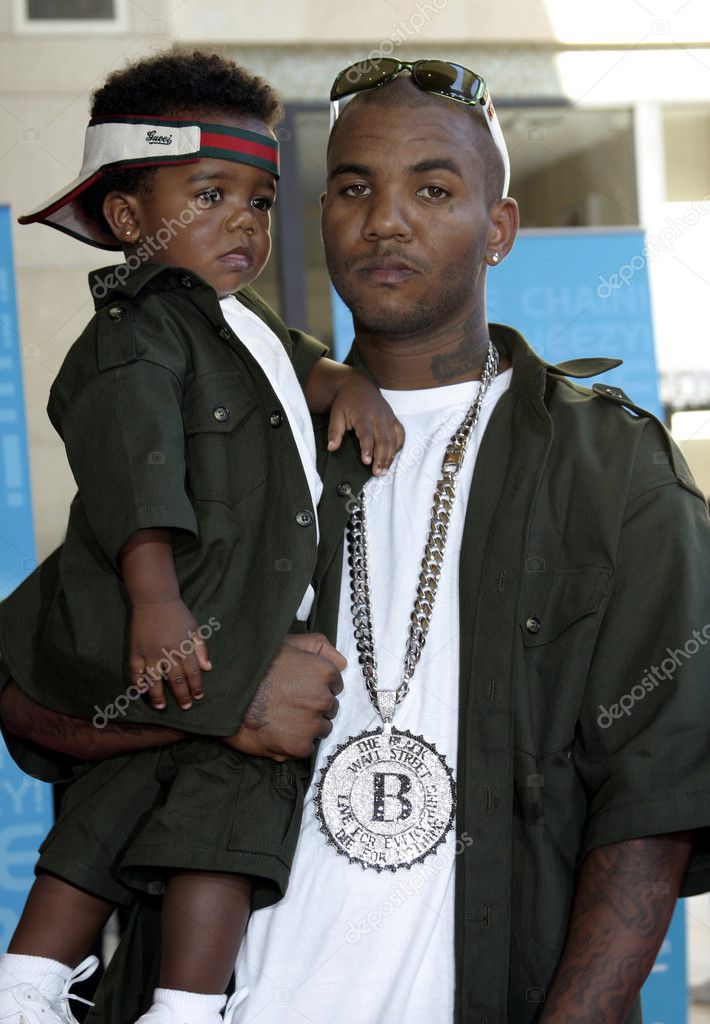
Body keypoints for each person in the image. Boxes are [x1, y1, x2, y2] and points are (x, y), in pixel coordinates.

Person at [3, 57, 710, 1024]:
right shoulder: (215, 428)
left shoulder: (610, 467)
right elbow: (30, 697)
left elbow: (655, 800)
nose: (386, 220)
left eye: (434, 189)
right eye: (352, 188)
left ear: (499, 229)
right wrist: (230, 703)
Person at [0, 49, 404, 1024]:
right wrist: (155, 599)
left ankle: (51, 985)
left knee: (138, 794)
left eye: (260, 201)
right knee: (225, 797)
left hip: (222, 625)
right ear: (129, 217)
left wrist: (345, 382)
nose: (244, 222)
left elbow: (296, 365)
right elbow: (133, 469)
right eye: (210, 194)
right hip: (171, 618)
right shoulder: (137, 332)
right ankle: (152, 1000)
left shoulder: (239, 323)